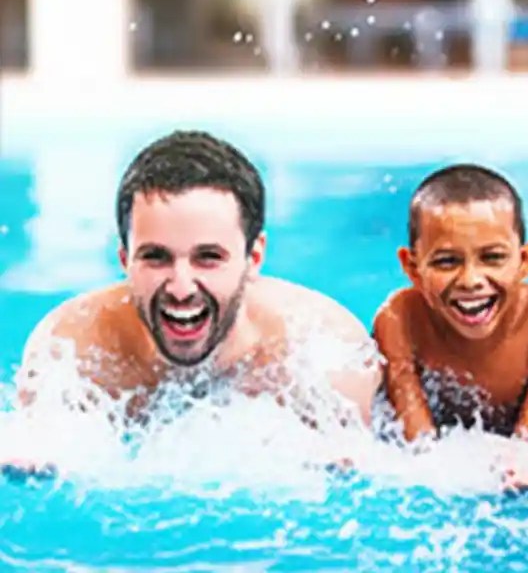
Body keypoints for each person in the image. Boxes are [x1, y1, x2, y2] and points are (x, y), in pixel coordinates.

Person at [15, 131, 380, 454]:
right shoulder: (71, 352)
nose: (181, 288)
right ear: (125, 260)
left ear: (253, 258)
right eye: (156, 257)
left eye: (208, 258)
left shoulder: (322, 353)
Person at [371, 164, 528, 447]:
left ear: (524, 260)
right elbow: (418, 447)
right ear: (413, 268)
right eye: (446, 261)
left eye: (492, 257)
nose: (471, 280)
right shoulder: (400, 320)